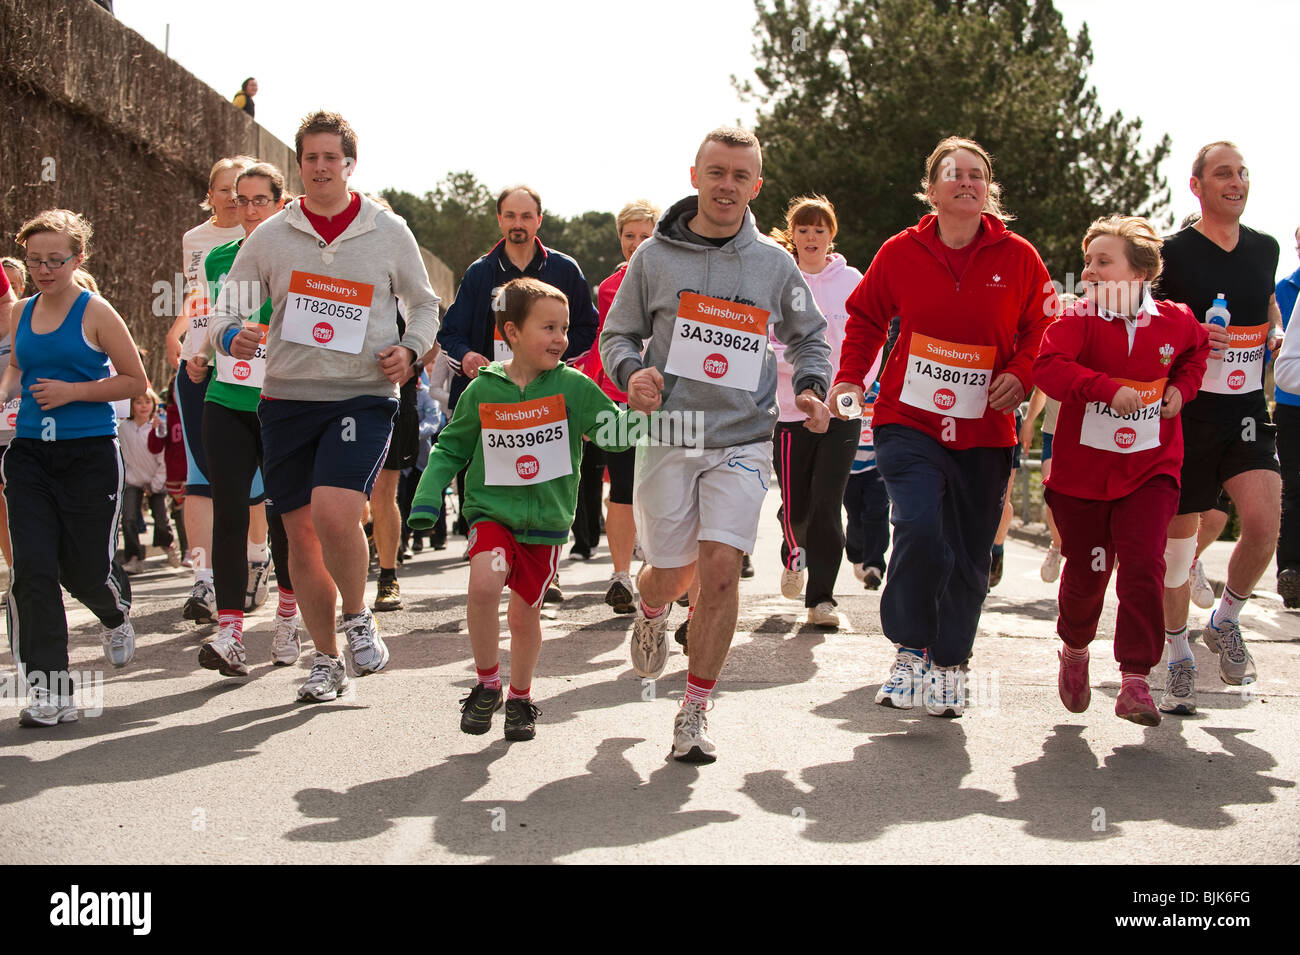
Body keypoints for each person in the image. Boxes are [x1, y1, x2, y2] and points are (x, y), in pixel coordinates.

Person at [600, 126, 833, 763]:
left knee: (721, 571)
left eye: (740, 176)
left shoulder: (774, 264)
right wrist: (631, 375)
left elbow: (810, 337)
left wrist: (811, 387)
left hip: (742, 436)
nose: (727, 186)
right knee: (673, 574)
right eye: (716, 173)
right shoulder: (653, 259)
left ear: (756, 186)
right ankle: (651, 607)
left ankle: (695, 708)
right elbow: (615, 336)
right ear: (696, 176)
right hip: (671, 432)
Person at [209, 110, 441, 702]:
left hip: (361, 395)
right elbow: (226, 308)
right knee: (302, 537)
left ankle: (359, 615)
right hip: (286, 399)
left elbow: (423, 304)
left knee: (337, 512)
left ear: (349, 164)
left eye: (329, 158)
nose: (319, 168)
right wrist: (230, 334)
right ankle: (325, 658)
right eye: (309, 158)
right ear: (300, 165)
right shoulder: (269, 237)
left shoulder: (388, 232)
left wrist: (410, 350)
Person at [830, 136, 1057, 718]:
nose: (967, 182)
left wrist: (1022, 372)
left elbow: (1041, 328)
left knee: (968, 552)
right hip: (910, 421)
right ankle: (909, 653)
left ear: (988, 189)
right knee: (920, 528)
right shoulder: (901, 252)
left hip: (985, 430)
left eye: (977, 175)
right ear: (931, 190)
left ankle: (950, 663)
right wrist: (851, 379)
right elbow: (864, 317)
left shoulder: (1019, 257)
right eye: (953, 174)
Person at [408, 278, 632, 740]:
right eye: (548, 327)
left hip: (546, 526)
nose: (561, 338)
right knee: (485, 585)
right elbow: (450, 449)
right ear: (511, 332)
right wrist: (427, 499)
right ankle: (487, 683)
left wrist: (644, 413)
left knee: (525, 614)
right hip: (492, 514)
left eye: (565, 328)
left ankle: (520, 697)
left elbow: (613, 436)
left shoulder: (574, 386)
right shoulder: (483, 390)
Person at [1035, 216, 1209, 725]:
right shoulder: (1077, 320)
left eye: (1102, 261)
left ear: (1139, 273)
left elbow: (1195, 355)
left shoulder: (1176, 321)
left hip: (1150, 466)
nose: (1088, 271)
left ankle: (1136, 679)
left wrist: (1182, 388)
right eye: (1087, 261)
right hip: (1084, 476)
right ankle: (1074, 648)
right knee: (1089, 574)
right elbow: (1047, 368)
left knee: (1142, 564)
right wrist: (1106, 389)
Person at [2, 209, 149, 726]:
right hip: (28, 456)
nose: (44, 269)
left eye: (55, 260)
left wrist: (73, 393)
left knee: (83, 568)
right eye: (35, 260)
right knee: (32, 570)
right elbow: (18, 365)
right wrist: (6, 392)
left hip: (88, 454)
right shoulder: (20, 312)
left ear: (78, 258)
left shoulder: (97, 312)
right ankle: (51, 691)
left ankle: (114, 614)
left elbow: (135, 381)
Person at [1157, 142, 1282, 711]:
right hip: (1187, 413)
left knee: (1262, 521)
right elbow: (1147, 325)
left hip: (1247, 409)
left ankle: (1226, 620)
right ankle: (1177, 652)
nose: (1236, 182)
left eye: (1242, 173)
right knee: (1179, 557)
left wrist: (1271, 336)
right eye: (1223, 173)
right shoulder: (1171, 253)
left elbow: (1264, 307)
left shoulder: (1265, 248)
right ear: (1197, 186)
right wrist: (1192, 341)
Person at [437, 184, 599, 602]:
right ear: (500, 220)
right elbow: (450, 332)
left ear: (539, 220)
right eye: (510, 216)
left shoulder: (563, 270)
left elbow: (586, 327)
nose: (518, 225)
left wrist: (559, 357)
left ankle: (544, 563)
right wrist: (469, 355)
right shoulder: (480, 273)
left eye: (526, 217)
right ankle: (491, 554)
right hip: (493, 395)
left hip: (548, 395)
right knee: (491, 479)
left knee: (545, 473)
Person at [192, 162, 302, 677]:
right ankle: (231, 629)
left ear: (281, 202)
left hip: (282, 402)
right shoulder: (218, 260)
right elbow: (213, 321)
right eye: (242, 199)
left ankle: (287, 616)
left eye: (261, 199)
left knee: (283, 516)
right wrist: (203, 350)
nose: (249, 208)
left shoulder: (299, 255)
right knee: (231, 512)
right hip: (227, 399)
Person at [166, 155, 271, 624]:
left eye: (243, 192)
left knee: (254, 488)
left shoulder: (266, 234)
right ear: (209, 194)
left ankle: (257, 558)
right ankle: (203, 581)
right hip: (205, 363)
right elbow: (199, 301)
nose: (235, 200)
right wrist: (188, 341)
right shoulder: (197, 241)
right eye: (225, 190)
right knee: (201, 478)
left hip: (258, 364)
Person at [768, 195, 876, 628]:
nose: (811, 237)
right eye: (803, 229)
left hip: (842, 408)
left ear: (832, 235)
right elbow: (766, 336)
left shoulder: (851, 279)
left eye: (820, 230)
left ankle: (822, 600)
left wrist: (854, 391)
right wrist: (798, 376)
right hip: (790, 407)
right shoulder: (779, 275)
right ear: (792, 234)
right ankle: (794, 549)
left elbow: (869, 340)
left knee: (830, 503)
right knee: (797, 506)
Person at [581, 200, 659, 612]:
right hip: (620, 402)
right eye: (629, 236)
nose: (636, 243)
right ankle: (620, 576)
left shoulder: (672, 277)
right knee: (624, 489)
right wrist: (590, 390)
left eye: (645, 235)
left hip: (668, 405)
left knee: (664, 490)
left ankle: (665, 571)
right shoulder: (610, 287)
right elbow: (605, 342)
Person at [119, 389, 178, 573]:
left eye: (147, 402)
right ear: (131, 406)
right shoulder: (123, 428)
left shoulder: (158, 427)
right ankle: (134, 557)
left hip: (156, 479)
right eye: (138, 402)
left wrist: (156, 484)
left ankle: (168, 546)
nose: (143, 406)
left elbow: (163, 458)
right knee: (128, 517)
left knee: (161, 518)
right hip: (133, 480)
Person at [1273, 226, 1300, 607]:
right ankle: (1291, 570)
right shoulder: (1285, 288)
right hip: (1292, 405)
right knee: (1293, 487)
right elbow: (1283, 363)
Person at [843, 382, 889, 590]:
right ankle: (857, 556)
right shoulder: (845, 392)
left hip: (875, 466)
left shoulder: (882, 393)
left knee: (877, 512)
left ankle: (874, 565)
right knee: (855, 515)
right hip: (847, 469)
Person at [1021, 386, 1063, 581]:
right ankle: (1057, 545)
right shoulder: (1053, 357)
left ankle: (1078, 549)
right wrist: (1028, 422)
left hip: (1087, 435)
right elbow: (1040, 391)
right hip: (1054, 433)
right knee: (1052, 493)